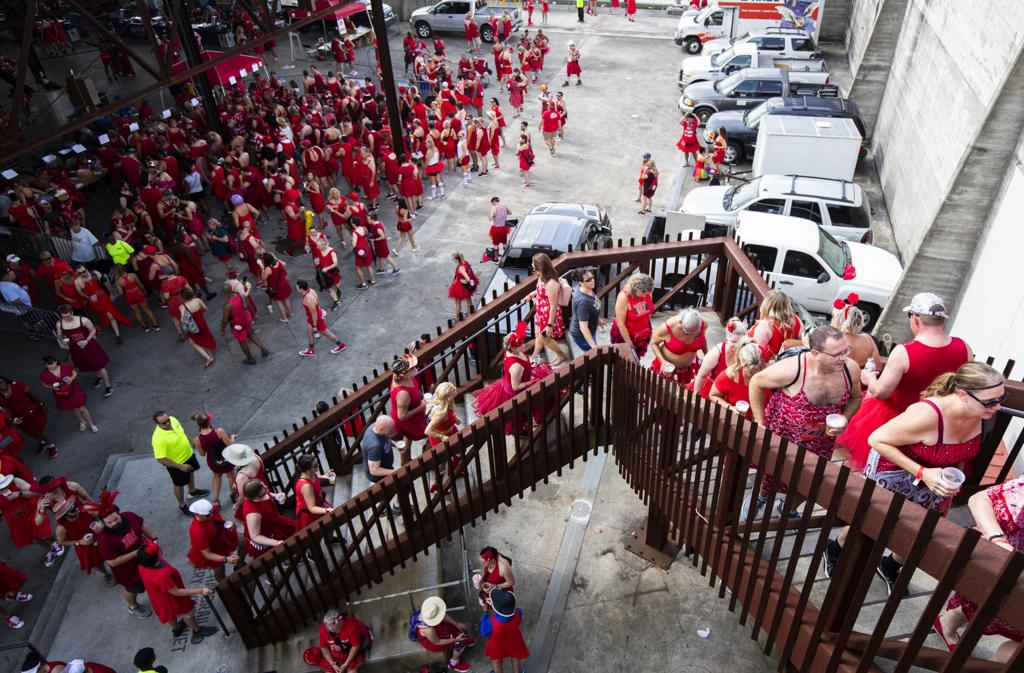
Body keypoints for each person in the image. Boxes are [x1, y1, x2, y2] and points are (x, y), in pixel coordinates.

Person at [826, 362, 1002, 594]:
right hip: (895, 470)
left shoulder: (984, 415)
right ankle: (835, 549)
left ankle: (889, 565)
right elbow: (877, 440)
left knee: (926, 530)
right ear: (962, 395)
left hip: (936, 477)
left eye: (1001, 398)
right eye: (990, 401)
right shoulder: (927, 415)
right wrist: (922, 473)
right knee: (871, 521)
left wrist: (950, 473)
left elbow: (962, 450)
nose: (998, 407)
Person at [838, 292, 970, 471]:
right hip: (940, 422)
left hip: (899, 418)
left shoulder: (904, 352)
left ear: (915, 319)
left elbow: (880, 392)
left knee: (885, 465)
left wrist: (870, 378)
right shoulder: (964, 347)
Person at [746, 326, 863, 519]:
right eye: (836, 354)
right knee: (770, 473)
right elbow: (756, 383)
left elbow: (856, 397)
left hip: (821, 442)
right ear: (815, 353)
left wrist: (845, 417)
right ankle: (761, 497)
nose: (843, 358)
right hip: (784, 437)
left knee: (812, 482)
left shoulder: (849, 370)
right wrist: (760, 422)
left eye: (845, 351)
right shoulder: (793, 369)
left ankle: (787, 507)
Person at [935, 475, 1023, 660]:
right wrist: (999, 542)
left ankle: (946, 624)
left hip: (1011, 578)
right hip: (1003, 561)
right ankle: (947, 625)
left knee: (992, 605)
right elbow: (979, 499)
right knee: (990, 601)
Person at [474, 324, 554, 435]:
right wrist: (532, 382)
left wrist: (531, 363)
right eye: (520, 344)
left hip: (516, 378)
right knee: (518, 416)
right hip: (515, 391)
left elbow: (520, 327)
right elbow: (515, 386)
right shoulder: (516, 367)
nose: (523, 345)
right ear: (512, 347)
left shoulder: (510, 351)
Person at [91, 491, 154, 618]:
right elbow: (112, 561)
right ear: (103, 523)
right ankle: (133, 606)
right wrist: (136, 553)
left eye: (115, 519)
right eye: (109, 523)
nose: (114, 523)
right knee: (133, 589)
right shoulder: (104, 540)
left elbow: (142, 524)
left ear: (119, 513)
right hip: (128, 570)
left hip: (146, 556)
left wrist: (154, 539)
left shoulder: (129, 516)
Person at [136, 541, 217, 641]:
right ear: (155, 557)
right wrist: (200, 590)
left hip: (158, 597)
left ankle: (177, 629)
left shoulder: (142, 564)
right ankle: (197, 631)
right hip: (172, 597)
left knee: (170, 615)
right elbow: (176, 592)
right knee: (187, 613)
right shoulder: (162, 575)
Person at [33, 477, 108, 578]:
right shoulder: (43, 500)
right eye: (49, 490)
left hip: (85, 517)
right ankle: (106, 574)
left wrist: (99, 519)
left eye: (54, 487)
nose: (53, 491)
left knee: (107, 544)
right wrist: (42, 509)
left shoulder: (71, 486)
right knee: (93, 560)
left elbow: (87, 498)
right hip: (70, 528)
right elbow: (38, 522)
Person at [151, 411, 209, 516]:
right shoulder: (158, 439)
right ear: (158, 424)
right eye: (164, 423)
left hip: (188, 454)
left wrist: (191, 441)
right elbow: (160, 459)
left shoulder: (173, 419)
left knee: (191, 471)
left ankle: (193, 491)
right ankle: (182, 505)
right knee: (179, 484)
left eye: (167, 419)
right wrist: (180, 466)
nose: (168, 423)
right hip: (176, 464)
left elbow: (181, 432)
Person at [0, 473, 61, 566]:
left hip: (30, 512)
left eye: (5, 486)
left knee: (42, 533)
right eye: (1, 489)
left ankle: (56, 542)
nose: (4, 490)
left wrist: (19, 494)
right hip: (17, 520)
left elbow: (35, 493)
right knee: (34, 539)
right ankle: (50, 550)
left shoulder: (16, 482)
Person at [56, 305, 113, 398]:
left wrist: (86, 341)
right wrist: (62, 340)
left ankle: (108, 386)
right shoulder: (59, 323)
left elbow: (93, 330)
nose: (66, 318)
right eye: (64, 316)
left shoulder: (83, 320)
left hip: (89, 345)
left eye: (67, 315)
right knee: (89, 364)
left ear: (72, 312)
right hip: (75, 348)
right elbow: (60, 336)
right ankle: (99, 377)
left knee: (99, 365)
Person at [0, 377, 57, 458]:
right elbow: (6, 408)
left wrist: (41, 403)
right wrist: (12, 420)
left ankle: (51, 446)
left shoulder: (17, 385)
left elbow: (32, 393)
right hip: (18, 417)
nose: (1, 384)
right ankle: (42, 442)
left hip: (31, 411)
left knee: (40, 429)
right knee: (29, 431)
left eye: (1, 382)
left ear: (5, 381)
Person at [414, 596, 475, 673]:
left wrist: (456, 624)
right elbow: (437, 641)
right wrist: (455, 639)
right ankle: (453, 663)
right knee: (460, 642)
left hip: (438, 630)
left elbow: (442, 616)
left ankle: (462, 640)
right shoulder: (428, 630)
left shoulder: (427, 612)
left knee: (458, 630)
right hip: (434, 642)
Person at [708, 339, 766, 417]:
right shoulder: (731, 375)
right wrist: (730, 407)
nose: (754, 377)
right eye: (751, 373)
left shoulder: (767, 374)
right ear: (742, 364)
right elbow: (713, 395)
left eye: (758, 372)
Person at [39, 355, 97, 433]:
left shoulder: (64, 367)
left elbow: (74, 372)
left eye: (51, 363)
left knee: (82, 409)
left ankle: (91, 424)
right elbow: (44, 384)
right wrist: (52, 387)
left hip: (73, 390)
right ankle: (82, 421)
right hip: (61, 394)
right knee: (72, 409)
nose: (49, 366)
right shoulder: (44, 374)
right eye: (47, 364)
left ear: (56, 361)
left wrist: (72, 378)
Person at [650, 308, 707, 386]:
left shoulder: (703, 324)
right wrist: (662, 361)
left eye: (696, 334)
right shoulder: (667, 327)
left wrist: (707, 355)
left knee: (683, 394)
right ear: (680, 323)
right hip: (668, 369)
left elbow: (703, 340)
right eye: (687, 332)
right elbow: (653, 343)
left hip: (689, 369)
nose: (691, 336)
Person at [186, 498, 239, 581]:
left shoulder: (209, 511)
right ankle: (225, 587)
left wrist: (229, 523)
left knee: (243, 541)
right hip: (212, 549)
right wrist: (226, 558)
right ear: (197, 514)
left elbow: (220, 517)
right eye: (207, 515)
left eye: (211, 513)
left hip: (221, 537)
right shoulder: (198, 532)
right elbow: (207, 554)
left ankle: (240, 565)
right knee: (219, 571)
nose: (211, 516)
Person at [692, 317, 747, 398]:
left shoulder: (745, 352)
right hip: (710, 391)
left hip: (729, 394)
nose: (736, 346)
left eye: (740, 342)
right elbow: (701, 376)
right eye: (733, 341)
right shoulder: (716, 352)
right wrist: (695, 396)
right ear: (727, 338)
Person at [191, 412, 236, 508]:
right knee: (231, 476)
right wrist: (232, 437)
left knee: (217, 476)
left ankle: (216, 500)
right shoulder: (219, 431)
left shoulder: (197, 439)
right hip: (226, 458)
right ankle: (234, 495)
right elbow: (230, 445)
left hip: (213, 461)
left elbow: (202, 454)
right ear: (209, 422)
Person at [389, 355, 428, 465]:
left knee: (408, 437)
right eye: (412, 369)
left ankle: (405, 462)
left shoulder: (398, 375)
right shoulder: (403, 394)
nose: (415, 369)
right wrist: (420, 408)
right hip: (408, 420)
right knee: (433, 432)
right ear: (404, 374)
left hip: (413, 414)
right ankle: (428, 456)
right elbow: (401, 416)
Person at [220, 279, 270, 365]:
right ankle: (263, 348)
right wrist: (253, 313)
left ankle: (250, 358)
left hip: (238, 324)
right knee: (250, 333)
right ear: (231, 289)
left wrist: (222, 329)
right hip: (247, 319)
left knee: (242, 342)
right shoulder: (238, 295)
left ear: (224, 293)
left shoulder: (228, 306)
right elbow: (247, 303)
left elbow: (225, 320)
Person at [241, 479, 295, 558]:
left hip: (276, 523)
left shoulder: (260, 494)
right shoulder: (253, 514)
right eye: (263, 488)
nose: (266, 487)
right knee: (275, 558)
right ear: (256, 495)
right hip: (267, 537)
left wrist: (277, 496)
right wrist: (276, 543)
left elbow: (268, 494)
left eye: (263, 485)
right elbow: (255, 536)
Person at [529, 253, 566, 366]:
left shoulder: (551, 283)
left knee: (544, 338)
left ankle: (561, 355)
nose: (534, 271)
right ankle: (534, 356)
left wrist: (550, 325)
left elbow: (553, 306)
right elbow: (541, 291)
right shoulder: (542, 277)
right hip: (541, 312)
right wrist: (531, 294)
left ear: (544, 268)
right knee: (538, 334)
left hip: (549, 315)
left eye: (536, 269)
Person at [481, 589, 529, 673]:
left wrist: (485, 612)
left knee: (496, 661)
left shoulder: (491, 623)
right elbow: (516, 615)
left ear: (496, 609)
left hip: (497, 646)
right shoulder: (518, 613)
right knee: (515, 656)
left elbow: (484, 632)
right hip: (514, 641)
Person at [748, 289, 803, 359]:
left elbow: (755, 354)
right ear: (787, 305)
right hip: (788, 362)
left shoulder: (765, 326)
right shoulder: (795, 319)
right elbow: (805, 341)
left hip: (769, 366)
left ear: (767, 304)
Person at [298, 279, 347, 357]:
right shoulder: (311, 290)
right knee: (309, 332)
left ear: (301, 288)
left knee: (327, 333)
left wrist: (314, 326)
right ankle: (310, 350)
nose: (296, 289)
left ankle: (341, 345)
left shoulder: (308, 299)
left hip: (316, 319)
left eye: (297, 288)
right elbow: (317, 302)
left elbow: (314, 314)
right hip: (312, 318)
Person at [830, 296, 880, 369]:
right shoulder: (868, 339)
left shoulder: (833, 341)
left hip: (839, 379)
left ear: (839, 320)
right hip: (859, 379)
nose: (832, 319)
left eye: (833, 316)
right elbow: (878, 367)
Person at [316, 609, 373, 673]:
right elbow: (324, 647)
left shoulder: (351, 627)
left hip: (350, 653)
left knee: (352, 671)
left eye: (333, 623)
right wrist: (333, 664)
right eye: (328, 624)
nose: (331, 627)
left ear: (340, 620)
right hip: (334, 654)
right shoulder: (324, 629)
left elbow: (355, 646)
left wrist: (345, 664)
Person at [179, 287, 216, 368]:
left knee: (193, 342)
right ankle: (211, 356)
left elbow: (182, 320)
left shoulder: (182, 306)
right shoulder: (197, 300)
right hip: (202, 323)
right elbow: (205, 308)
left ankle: (208, 358)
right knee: (205, 337)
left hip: (193, 326)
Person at [569, 267, 604, 352]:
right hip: (582, 336)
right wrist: (594, 347)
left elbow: (592, 305)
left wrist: (597, 318)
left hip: (591, 328)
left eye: (592, 277)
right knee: (591, 356)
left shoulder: (587, 289)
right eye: (588, 280)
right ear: (580, 282)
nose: (592, 280)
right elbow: (584, 328)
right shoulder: (583, 302)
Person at [114, 267, 160, 331]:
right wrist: (144, 290)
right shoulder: (132, 275)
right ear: (124, 268)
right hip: (137, 292)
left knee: (136, 312)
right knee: (147, 309)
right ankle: (156, 325)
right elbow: (139, 284)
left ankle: (145, 327)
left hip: (129, 295)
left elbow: (121, 293)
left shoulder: (118, 281)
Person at [295, 454, 333, 529]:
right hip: (310, 514)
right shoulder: (306, 486)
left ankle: (330, 538)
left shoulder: (310, 474)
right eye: (315, 466)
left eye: (317, 463)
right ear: (308, 471)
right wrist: (326, 510)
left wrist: (323, 476)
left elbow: (315, 478)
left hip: (319, 503)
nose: (318, 465)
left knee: (329, 524)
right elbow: (311, 508)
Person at [261, 252, 293, 323]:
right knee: (286, 299)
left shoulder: (268, 269)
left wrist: (262, 269)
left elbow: (263, 278)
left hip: (276, 287)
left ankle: (284, 318)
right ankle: (290, 313)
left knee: (279, 302)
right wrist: (276, 258)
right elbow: (285, 264)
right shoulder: (278, 263)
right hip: (284, 283)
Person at [448, 251, 478, 318]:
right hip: (466, 287)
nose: (453, 260)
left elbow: (468, 279)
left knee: (458, 302)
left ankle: (457, 317)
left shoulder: (461, 268)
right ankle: (470, 313)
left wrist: (462, 281)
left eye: (453, 259)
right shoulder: (464, 262)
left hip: (461, 287)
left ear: (457, 259)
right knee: (468, 298)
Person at [350, 223, 377, 289]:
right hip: (367, 249)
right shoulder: (364, 228)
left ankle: (364, 284)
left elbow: (354, 244)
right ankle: (373, 281)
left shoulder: (355, 232)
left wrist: (352, 240)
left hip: (360, 251)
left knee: (358, 267)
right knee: (369, 265)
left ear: (354, 224)